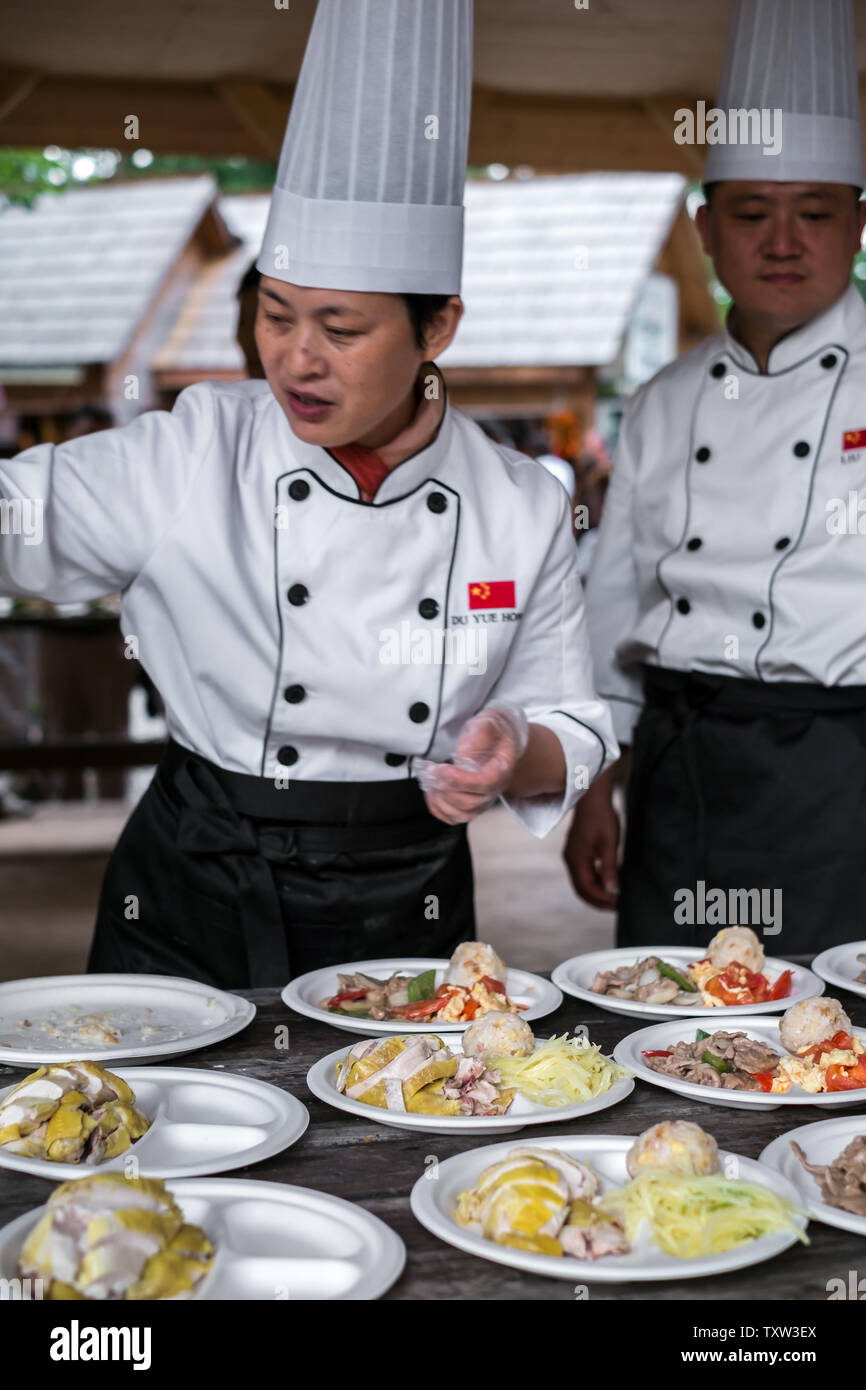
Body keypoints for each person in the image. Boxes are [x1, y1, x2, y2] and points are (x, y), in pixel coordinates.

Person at [0, 0, 616, 989]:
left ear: (438, 327)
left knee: (389, 1133)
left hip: (406, 887)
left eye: (339, 327)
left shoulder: (517, 503)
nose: (294, 357)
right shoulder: (196, 448)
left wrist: (515, 750)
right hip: (197, 877)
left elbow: (574, 723)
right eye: (275, 316)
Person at [565, 0, 866, 955]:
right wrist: (595, 785)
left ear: (859, 222)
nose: (784, 242)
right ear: (705, 227)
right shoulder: (662, 399)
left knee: (837, 1049)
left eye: (816, 213)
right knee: (677, 1023)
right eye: (752, 215)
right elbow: (614, 604)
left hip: (844, 774)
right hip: (684, 765)